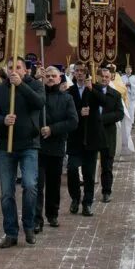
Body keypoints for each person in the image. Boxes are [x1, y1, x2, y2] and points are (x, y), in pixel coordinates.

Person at [0, 58, 44, 247]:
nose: (14, 71)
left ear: (25, 70)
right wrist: (3, 120)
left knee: (29, 185)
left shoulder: (35, 85)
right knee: (7, 193)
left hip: (29, 144)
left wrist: (21, 86)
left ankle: (28, 225)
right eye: (10, 67)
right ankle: (11, 232)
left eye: (18, 68)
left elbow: (39, 103)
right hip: (6, 146)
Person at [35, 65, 77, 233]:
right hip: (38, 147)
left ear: (60, 78)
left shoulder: (67, 99)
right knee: (37, 185)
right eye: (48, 76)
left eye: (54, 76)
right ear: (44, 78)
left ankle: (52, 214)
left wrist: (52, 129)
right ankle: (37, 219)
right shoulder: (38, 97)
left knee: (54, 183)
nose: (51, 78)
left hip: (57, 146)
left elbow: (73, 121)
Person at [65, 64, 107, 217]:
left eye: (83, 71)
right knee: (71, 169)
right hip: (75, 137)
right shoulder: (70, 91)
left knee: (89, 173)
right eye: (77, 71)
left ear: (87, 73)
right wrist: (78, 112)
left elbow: (105, 102)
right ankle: (75, 198)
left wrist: (92, 90)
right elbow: (65, 111)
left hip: (91, 137)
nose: (80, 74)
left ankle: (87, 203)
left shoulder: (94, 88)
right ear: (74, 73)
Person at [96, 66, 126, 204]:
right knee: (90, 164)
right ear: (97, 77)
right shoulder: (92, 91)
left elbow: (120, 113)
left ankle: (106, 191)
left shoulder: (115, 94)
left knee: (107, 165)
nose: (104, 79)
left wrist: (103, 119)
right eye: (102, 76)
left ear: (110, 78)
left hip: (108, 134)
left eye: (107, 77)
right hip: (92, 133)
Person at [120, 66, 135, 154]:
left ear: (131, 70)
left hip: (131, 97)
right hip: (124, 97)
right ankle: (126, 125)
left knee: (131, 111)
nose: (128, 70)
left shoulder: (134, 77)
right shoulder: (122, 77)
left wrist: (131, 85)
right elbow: (119, 86)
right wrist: (124, 85)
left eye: (129, 69)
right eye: (126, 69)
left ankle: (131, 123)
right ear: (125, 70)